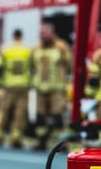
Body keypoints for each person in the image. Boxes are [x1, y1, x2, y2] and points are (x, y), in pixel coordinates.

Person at [30, 23, 72, 151]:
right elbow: (32, 66)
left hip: (57, 89)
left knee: (57, 116)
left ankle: (62, 143)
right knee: (40, 117)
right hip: (40, 89)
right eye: (40, 33)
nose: (41, 36)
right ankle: (41, 141)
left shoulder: (61, 47)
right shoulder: (36, 48)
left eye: (44, 33)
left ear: (52, 33)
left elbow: (69, 65)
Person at [0, 28, 33, 148]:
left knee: (3, 111)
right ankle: (16, 138)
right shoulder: (27, 50)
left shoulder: (5, 49)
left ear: (13, 36)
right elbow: (32, 67)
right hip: (23, 85)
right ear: (21, 36)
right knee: (20, 113)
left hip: (8, 85)